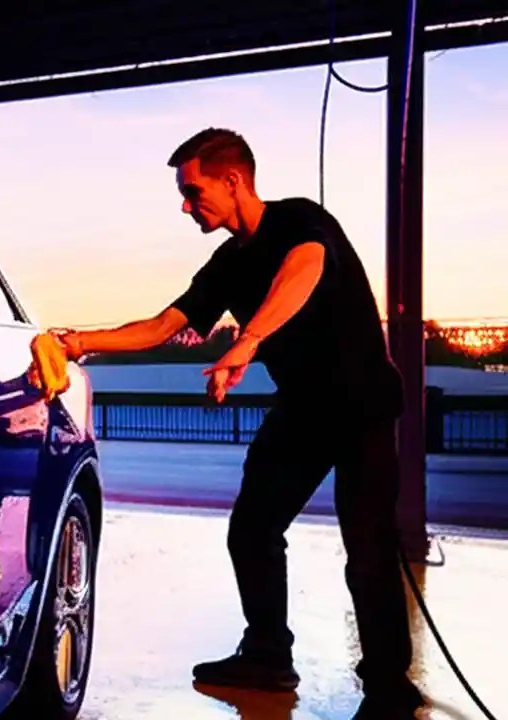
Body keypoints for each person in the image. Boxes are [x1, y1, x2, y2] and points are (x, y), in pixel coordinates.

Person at [35, 128, 425, 718]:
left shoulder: (301, 223)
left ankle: (388, 688)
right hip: (303, 411)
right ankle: (268, 655)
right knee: (252, 529)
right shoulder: (225, 264)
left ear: (233, 180)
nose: (186, 206)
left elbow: (304, 272)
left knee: (367, 548)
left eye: (193, 191)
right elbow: (163, 325)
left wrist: (248, 341)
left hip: (363, 407)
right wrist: (78, 342)